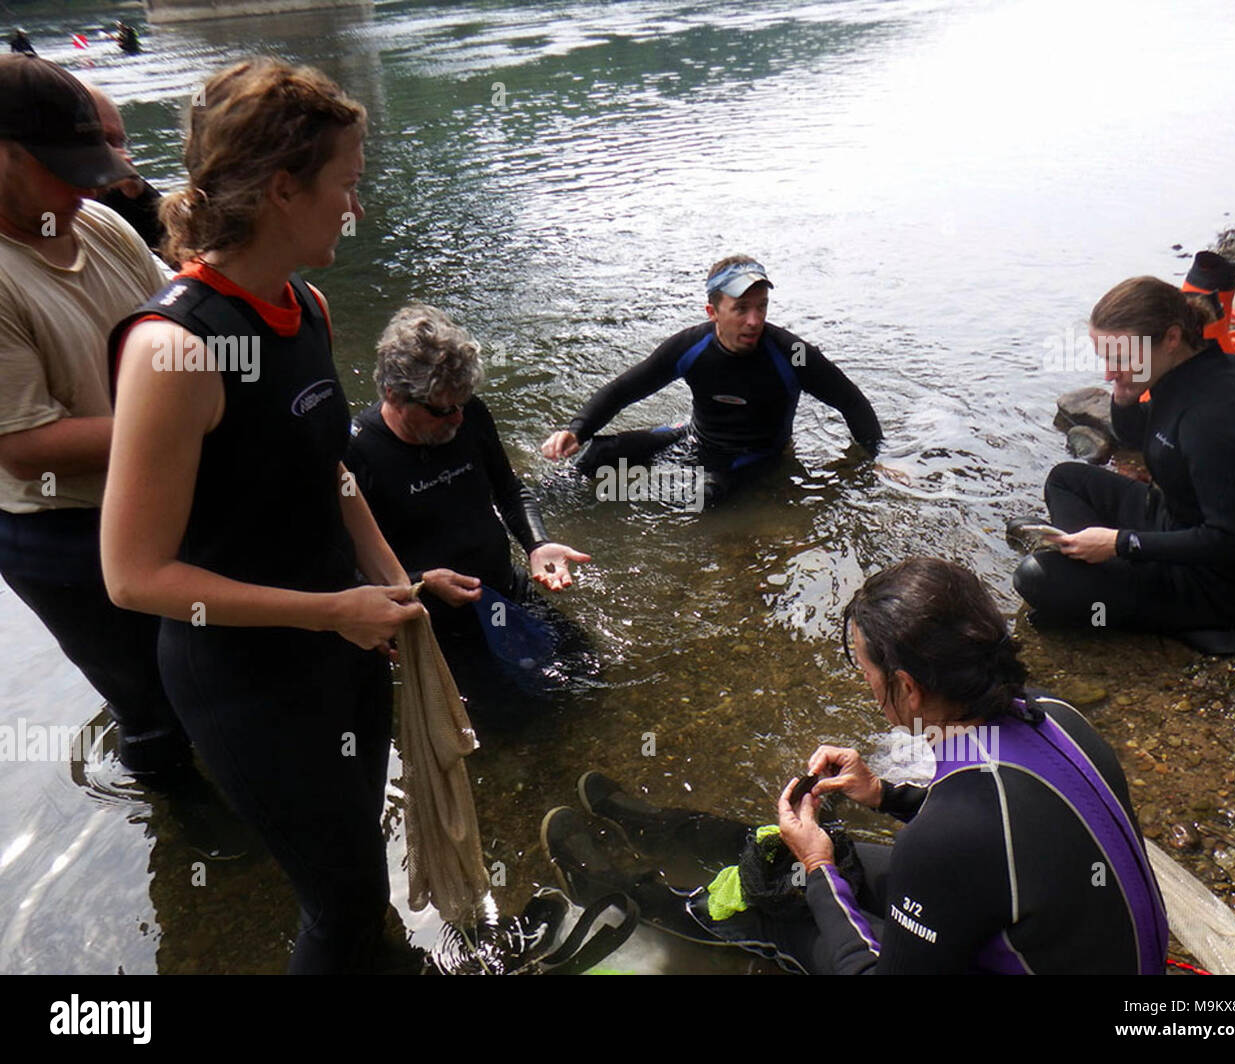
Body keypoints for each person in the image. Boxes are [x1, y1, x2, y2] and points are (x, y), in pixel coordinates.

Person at [102, 58, 426, 974]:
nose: (352, 209)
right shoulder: (174, 348)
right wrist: (332, 610)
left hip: (342, 642)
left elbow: (327, 472)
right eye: (345, 186)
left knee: (361, 857)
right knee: (340, 900)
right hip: (246, 680)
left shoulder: (303, 305)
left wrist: (389, 577)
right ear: (284, 189)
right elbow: (134, 577)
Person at [543, 557, 1168, 974]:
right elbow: (1015, 840)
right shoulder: (1056, 716)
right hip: (1076, 944)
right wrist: (885, 796)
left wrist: (817, 869)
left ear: (907, 687)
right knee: (815, 855)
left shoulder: (952, 834)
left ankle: (634, 896)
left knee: (782, 902)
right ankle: (655, 825)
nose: (866, 685)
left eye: (865, 670)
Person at [0, 53, 186, 780]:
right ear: (6, 155)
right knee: (149, 704)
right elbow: (26, 445)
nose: (94, 183)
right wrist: (190, 424)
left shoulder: (103, 225)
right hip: (61, 530)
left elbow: (184, 323)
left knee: (208, 664)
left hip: (155, 492)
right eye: (67, 167)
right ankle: (197, 838)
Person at [345, 304, 592, 717]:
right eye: (442, 410)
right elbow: (344, 568)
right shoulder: (357, 454)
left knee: (587, 678)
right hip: (432, 620)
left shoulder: (468, 413)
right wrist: (420, 582)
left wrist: (537, 543)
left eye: (462, 402)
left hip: (501, 590)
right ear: (394, 394)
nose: (457, 418)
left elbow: (509, 489)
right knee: (511, 721)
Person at [1013, 273, 1235, 632]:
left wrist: (1120, 543)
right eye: (1106, 359)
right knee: (1065, 479)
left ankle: (1101, 573)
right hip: (1175, 521)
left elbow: (1229, 540)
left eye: (1121, 358)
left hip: (1213, 587)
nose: (1108, 373)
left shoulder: (1212, 419)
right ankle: (1093, 564)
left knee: (1034, 577)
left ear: (1172, 338)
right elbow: (1138, 434)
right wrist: (1124, 394)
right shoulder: (1195, 369)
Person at [540, 256, 883, 505]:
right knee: (597, 454)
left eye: (761, 307)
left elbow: (850, 401)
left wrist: (876, 458)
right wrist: (576, 430)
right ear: (713, 312)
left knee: (703, 495)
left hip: (755, 455)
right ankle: (547, 507)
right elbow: (623, 390)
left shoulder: (792, 353)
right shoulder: (691, 347)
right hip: (695, 438)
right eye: (741, 308)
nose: (754, 320)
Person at [83, 82, 166, 257]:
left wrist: (139, 196)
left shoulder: (118, 194)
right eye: (104, 140)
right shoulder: (47, 216)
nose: (120, 156)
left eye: (121, 142)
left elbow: (183, 255)